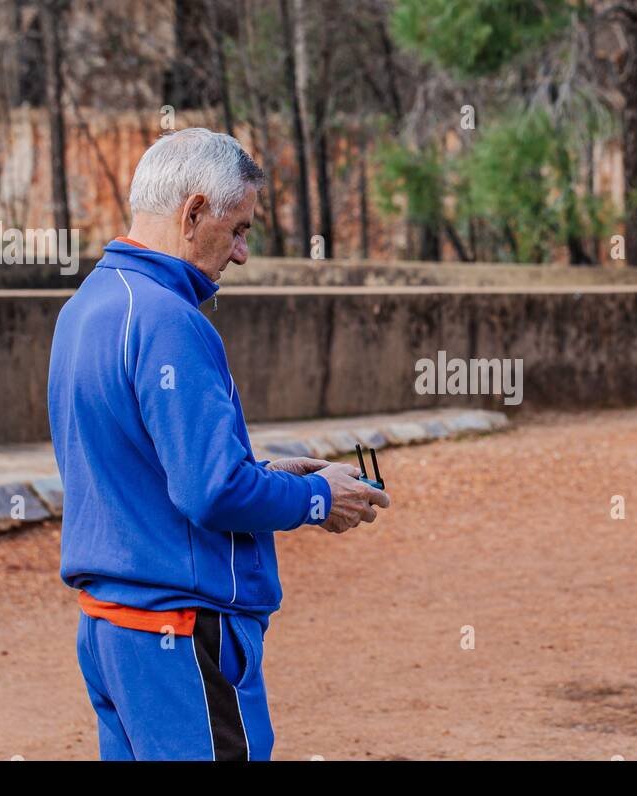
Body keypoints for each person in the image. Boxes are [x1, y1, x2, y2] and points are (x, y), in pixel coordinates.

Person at [47, 128, 390, 760]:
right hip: (179, 632)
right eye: (237, 230)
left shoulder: (85, 308)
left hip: (110, 628)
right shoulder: (169, 320)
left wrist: (269, 474)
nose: (240, 254)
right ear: (193, 212)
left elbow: (145, 468)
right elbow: (212, 492)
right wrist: (317, 498)